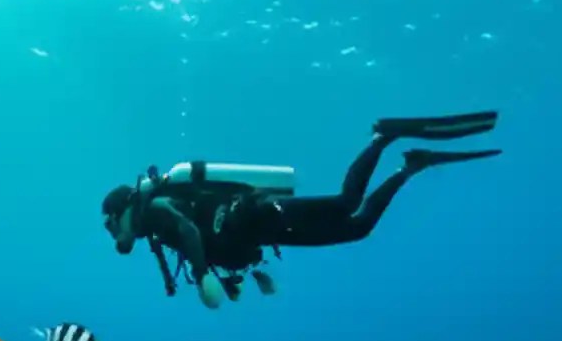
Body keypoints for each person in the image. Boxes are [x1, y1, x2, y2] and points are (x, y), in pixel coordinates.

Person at [101, 110, 501, 309]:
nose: (115, 235)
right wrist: (229, 277)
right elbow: (205, 238)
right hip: (261, 229)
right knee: (357, 227)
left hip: (257, 215)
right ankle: (410, 167)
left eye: (111, 225)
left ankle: (382, 138)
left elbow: (190, 231)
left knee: (346, 204)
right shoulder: (155, 230)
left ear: (122, 210)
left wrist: (204, 274)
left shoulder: (156, 209)